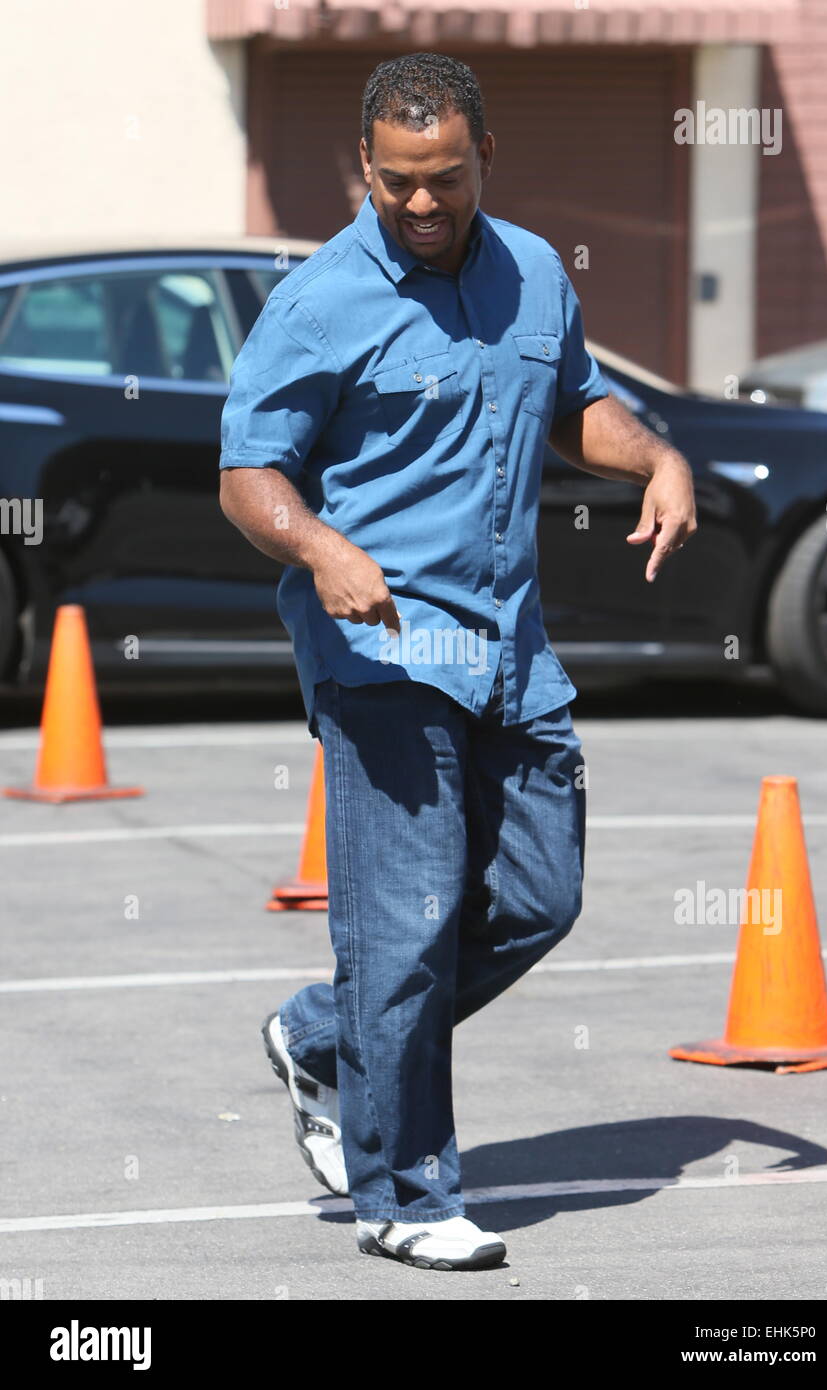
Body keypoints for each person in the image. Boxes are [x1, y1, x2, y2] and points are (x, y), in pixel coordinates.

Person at [219, 51, 697, 1272]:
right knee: (407, 924)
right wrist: (320, 547)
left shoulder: (533, 270)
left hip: (508, 650)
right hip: (381, 652)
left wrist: (656, 459)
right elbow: (246, 476)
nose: (421, 207)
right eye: (395, 184)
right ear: (361, 169)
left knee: (541, 895)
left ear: (486, 156)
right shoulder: (320, 301)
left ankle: (326, 1037)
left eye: (443, 180)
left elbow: (572, 401)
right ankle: (404, 1193)